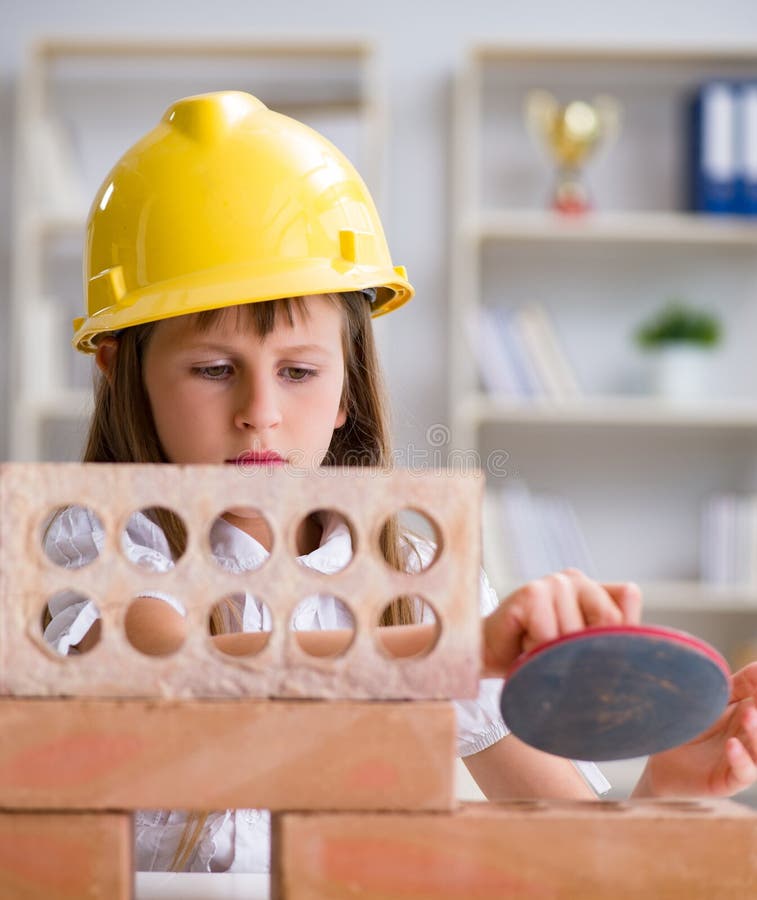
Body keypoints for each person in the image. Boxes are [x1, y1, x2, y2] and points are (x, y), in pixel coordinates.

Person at [44, 91, 757, 874]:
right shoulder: (92, 545)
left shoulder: (418, 581)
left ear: (347, 384)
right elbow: (175, 662)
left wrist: (667, 788)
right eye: (214, 370)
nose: (261, 414)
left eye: (300, 372)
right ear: (119, 372)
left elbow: (589, 860)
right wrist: (450, 650)